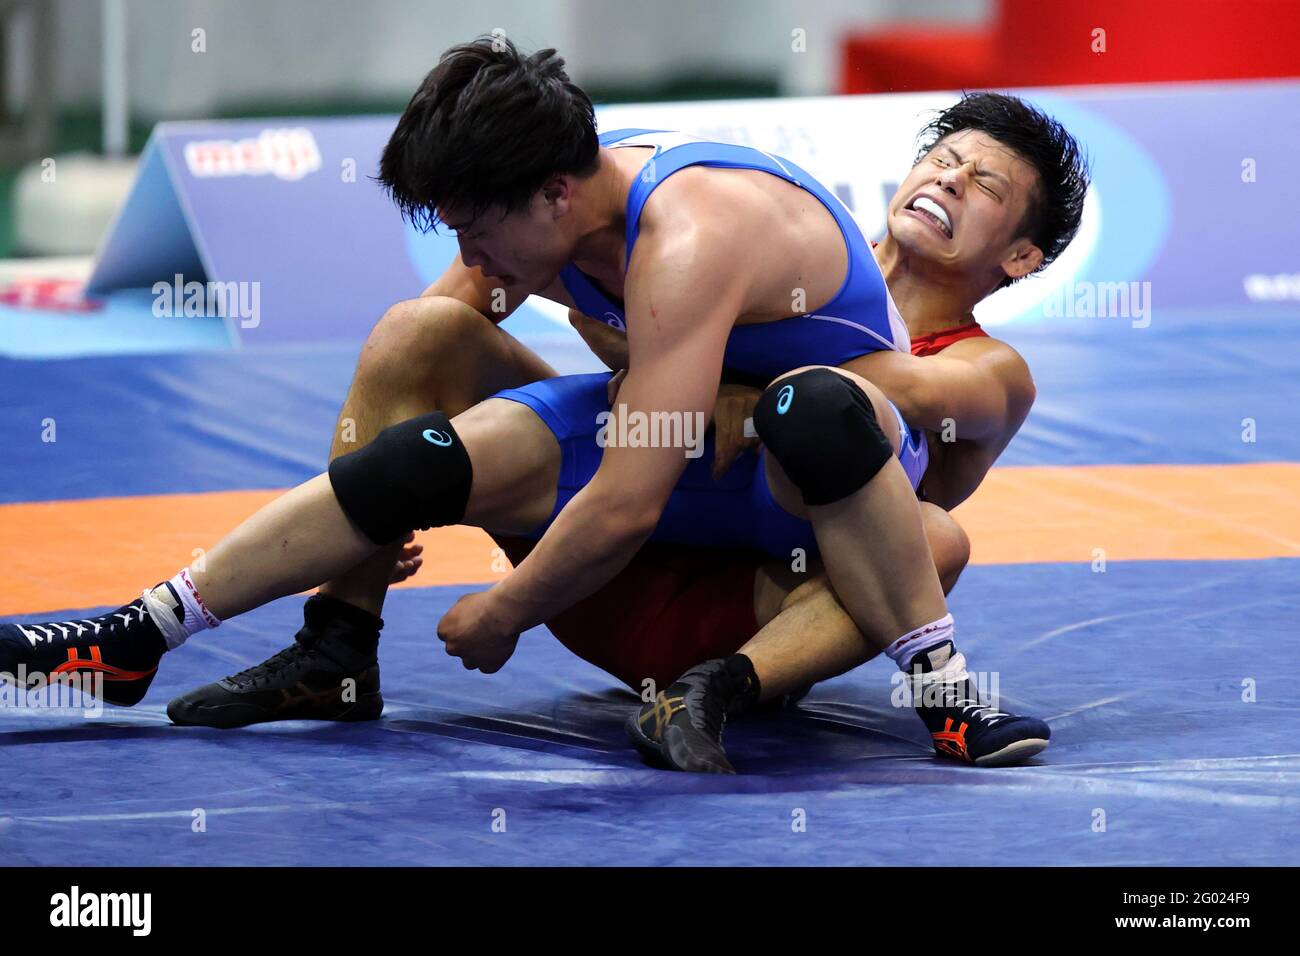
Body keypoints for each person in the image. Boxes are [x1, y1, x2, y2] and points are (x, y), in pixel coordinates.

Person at [0, 40, 1087, 772]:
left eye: (982, 183)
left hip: (781, 574)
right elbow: (478, 324)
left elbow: (699, 459)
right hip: (654, 535)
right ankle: (196, 632)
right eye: (939, 157)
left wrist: (506, 608)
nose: (473, 256)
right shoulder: (585, 212)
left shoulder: (727, 246)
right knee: (416, 349)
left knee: (837, 433)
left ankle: (931, 688)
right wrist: (397, 484)